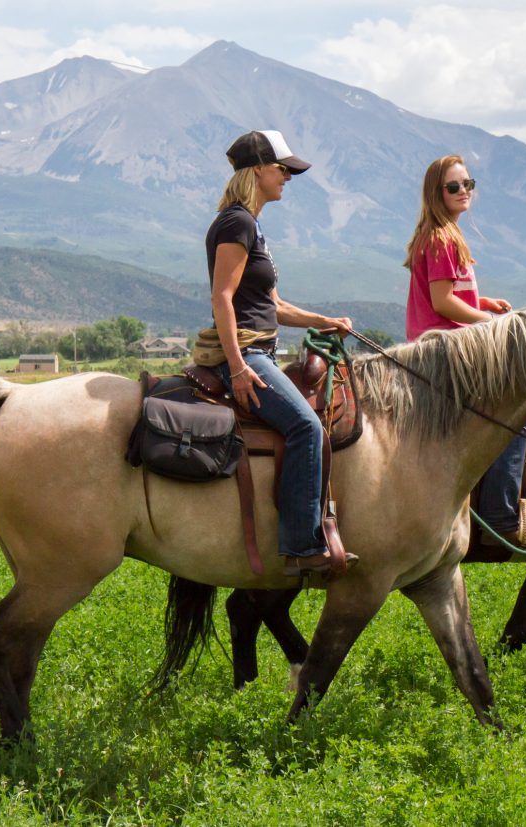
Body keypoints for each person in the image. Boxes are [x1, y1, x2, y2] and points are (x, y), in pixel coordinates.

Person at [207, 129, 357, 577]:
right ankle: (301, 546)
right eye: (283, 170)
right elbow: (223, 298)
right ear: (258, 171)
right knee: (307, 429)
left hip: (259, 350)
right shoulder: (237, 223)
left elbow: (273, 305)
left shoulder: (250, 224)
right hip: (248, 354)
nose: (288, 178)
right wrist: (237, 367)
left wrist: (322, 321)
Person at [404, 154, 526, 548]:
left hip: (446, 340)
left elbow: (454, 296)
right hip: (446, 348)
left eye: (469, 184)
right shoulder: (441, 238)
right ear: (438, 192)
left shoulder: (445, 233)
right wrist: (486, 324)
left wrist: (484, 303)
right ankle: (501, 516)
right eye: (454, 186)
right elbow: (441, 302)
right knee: (516, 411)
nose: (464, 191)